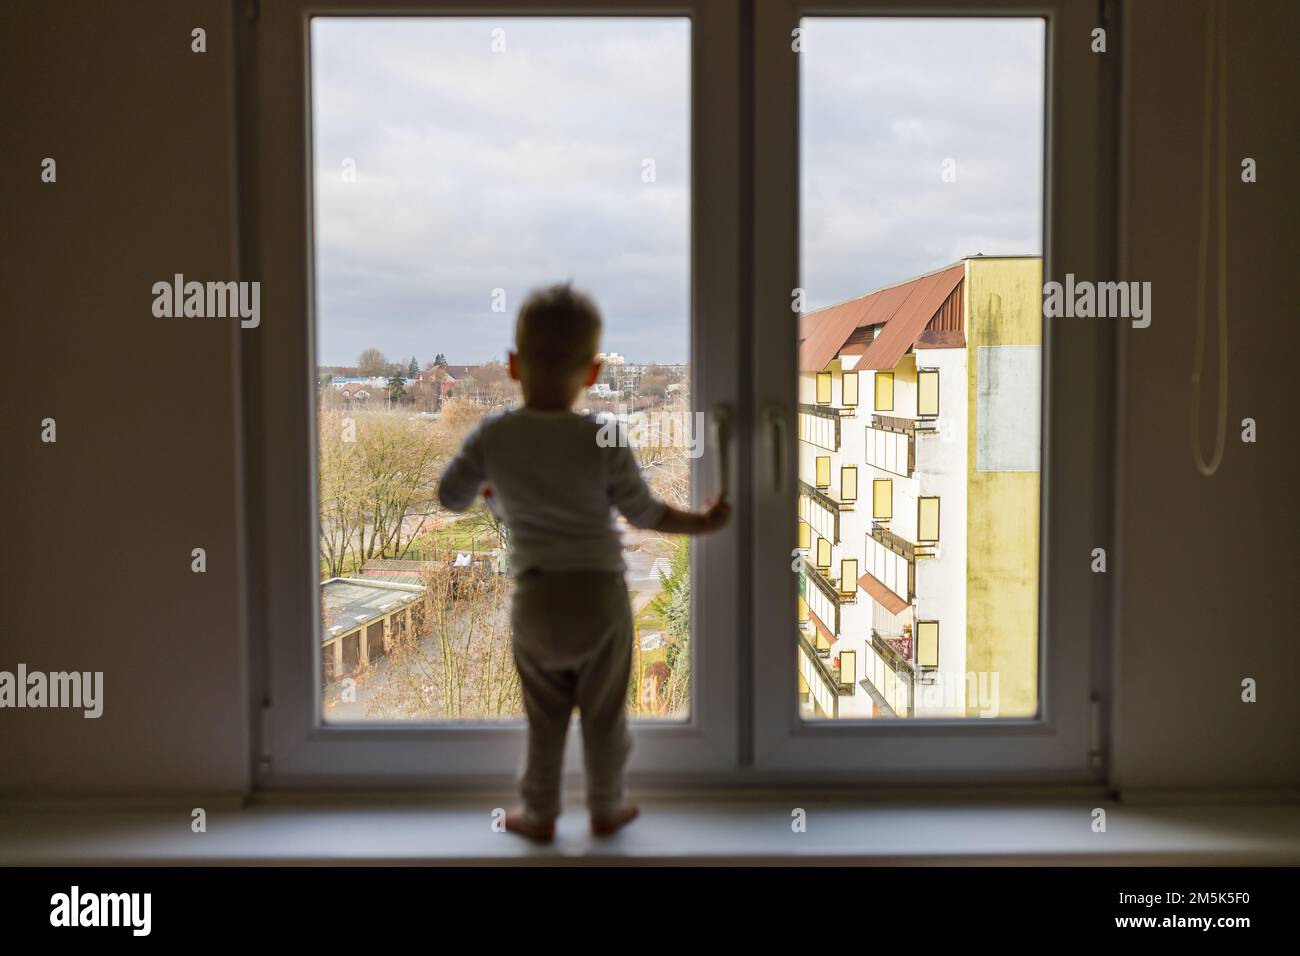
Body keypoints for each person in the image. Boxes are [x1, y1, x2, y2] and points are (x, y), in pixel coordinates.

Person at [437, 282, 730, 843]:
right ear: (593, 373)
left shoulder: (494, 434)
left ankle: (540, 813)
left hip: (536, 599)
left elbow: (451, 495)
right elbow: (644, 513)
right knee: (603, 717)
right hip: (599, 598)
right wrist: (704, 521)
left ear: (514, 365)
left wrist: (489, 485)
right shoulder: (605, 436)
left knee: (544, 718)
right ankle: (605, 806)